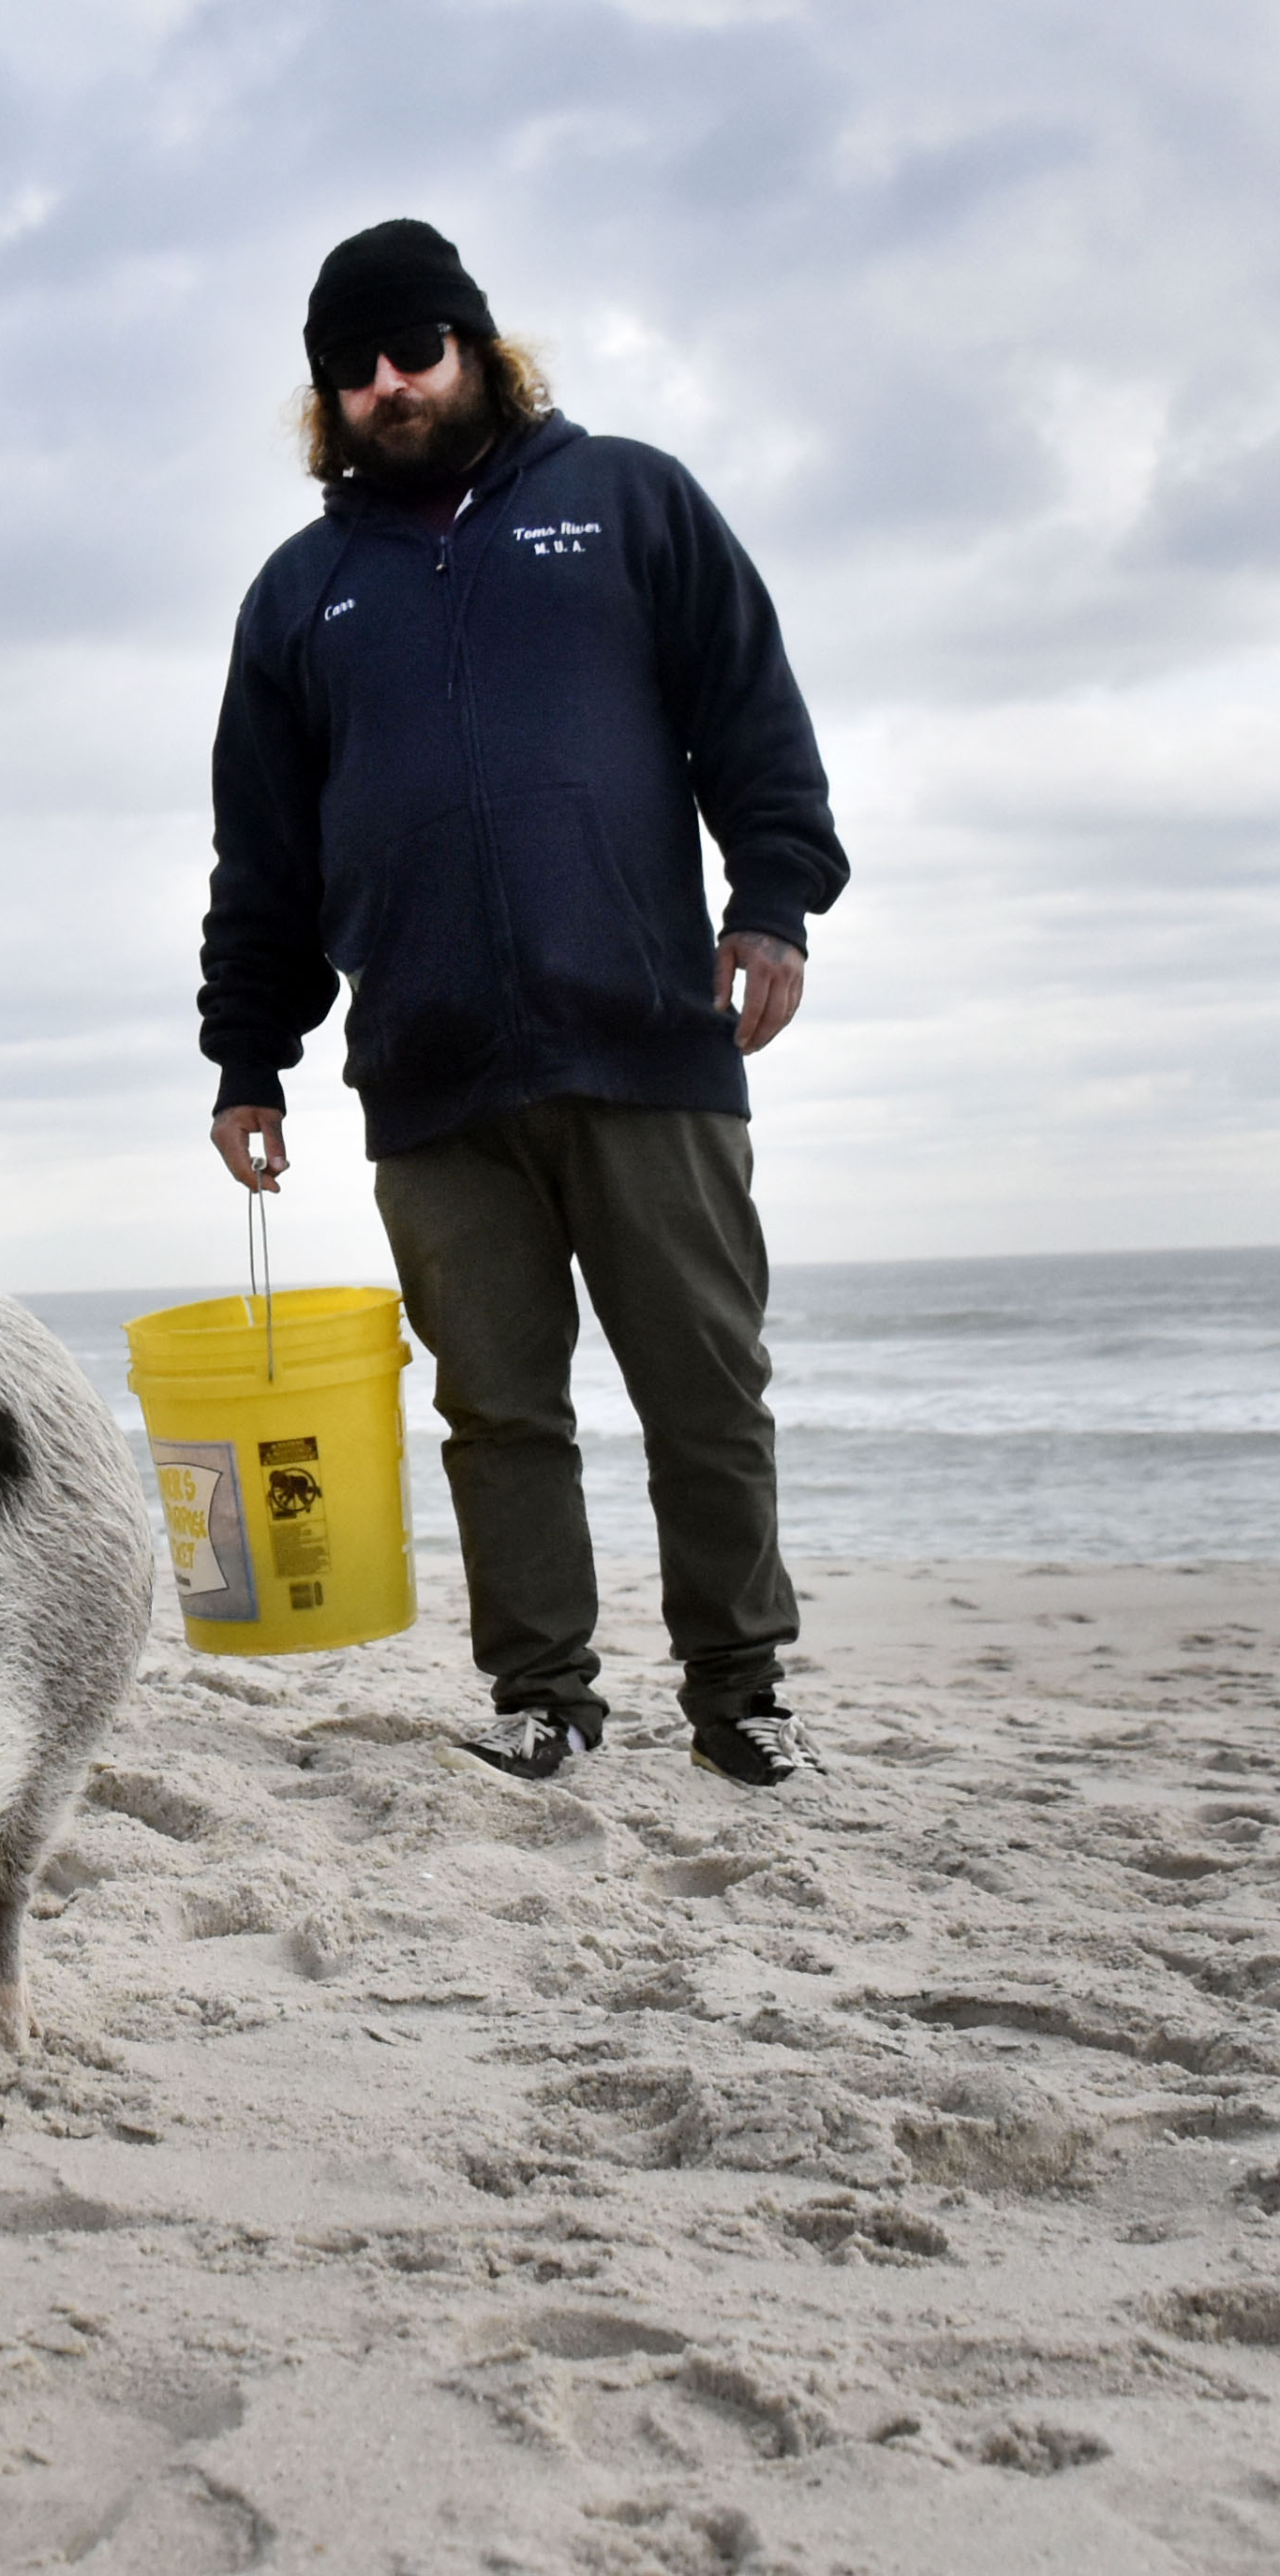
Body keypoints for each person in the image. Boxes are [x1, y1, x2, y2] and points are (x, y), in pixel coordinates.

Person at [197, 221, 849, 1790]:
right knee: (496, 1410)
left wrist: (769, 901)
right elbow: (263, 854)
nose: (385, 384)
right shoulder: (298, 595)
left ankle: (738, 1689)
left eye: (412, 348)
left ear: (476, 346)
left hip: (645, 1036)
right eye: (349, 368)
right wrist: (246, 1058)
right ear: (323, 400)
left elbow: (750, 716)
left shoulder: (630, 502)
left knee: (702, 1385)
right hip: (430, 1077)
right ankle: (541, 1693)